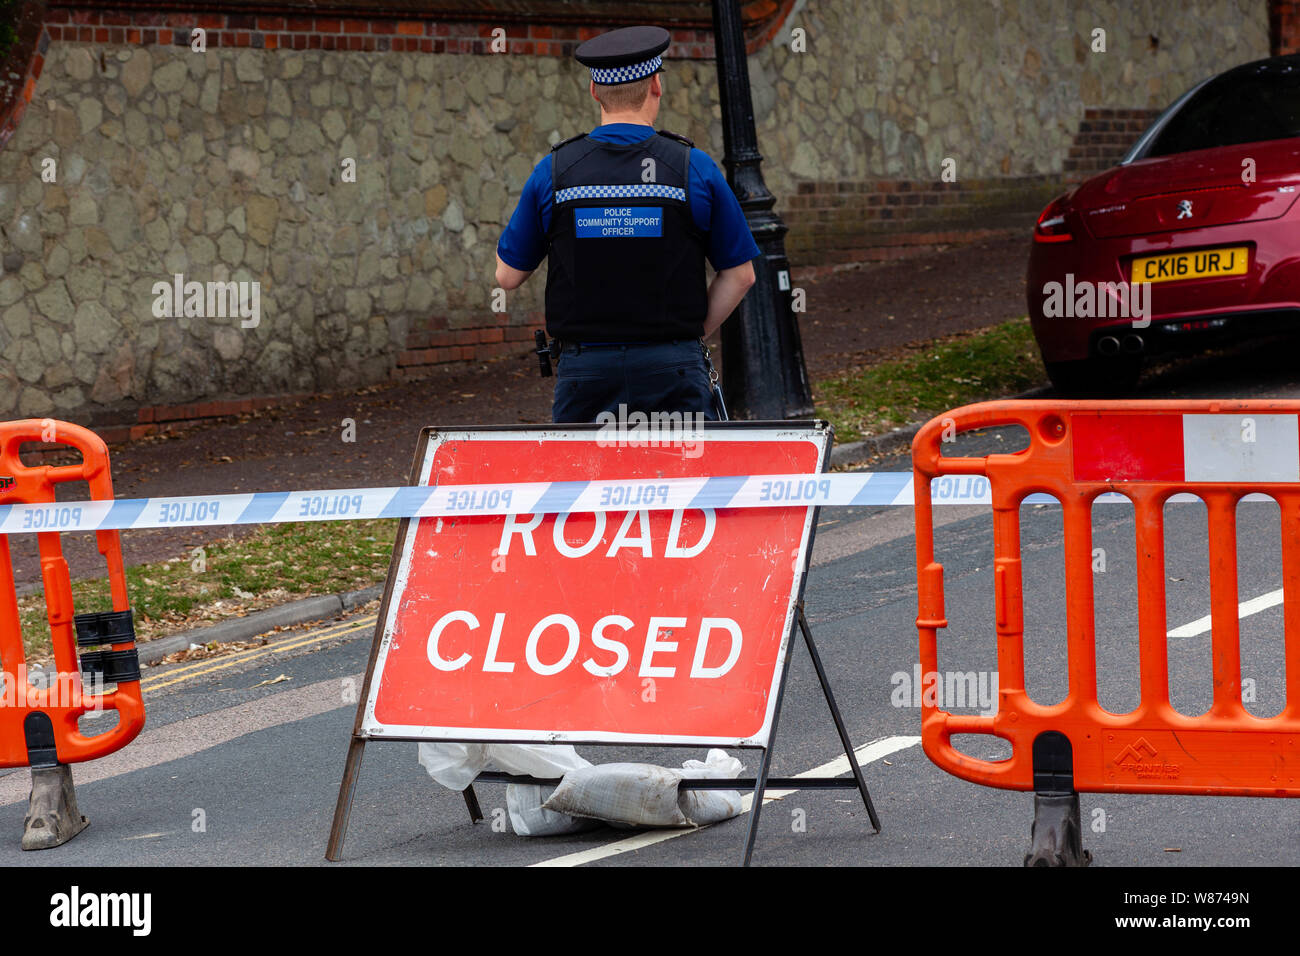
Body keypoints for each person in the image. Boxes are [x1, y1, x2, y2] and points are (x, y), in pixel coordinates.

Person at [494, 25, 760, 424]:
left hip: (586, 374)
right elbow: (740, 275)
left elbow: (508, 276)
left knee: (582, 484)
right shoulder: (693, 167)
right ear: (656, 85)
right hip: (674, 369)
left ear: (594, 91)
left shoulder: (555, 171)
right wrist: (686, 337)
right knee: (682, 484)